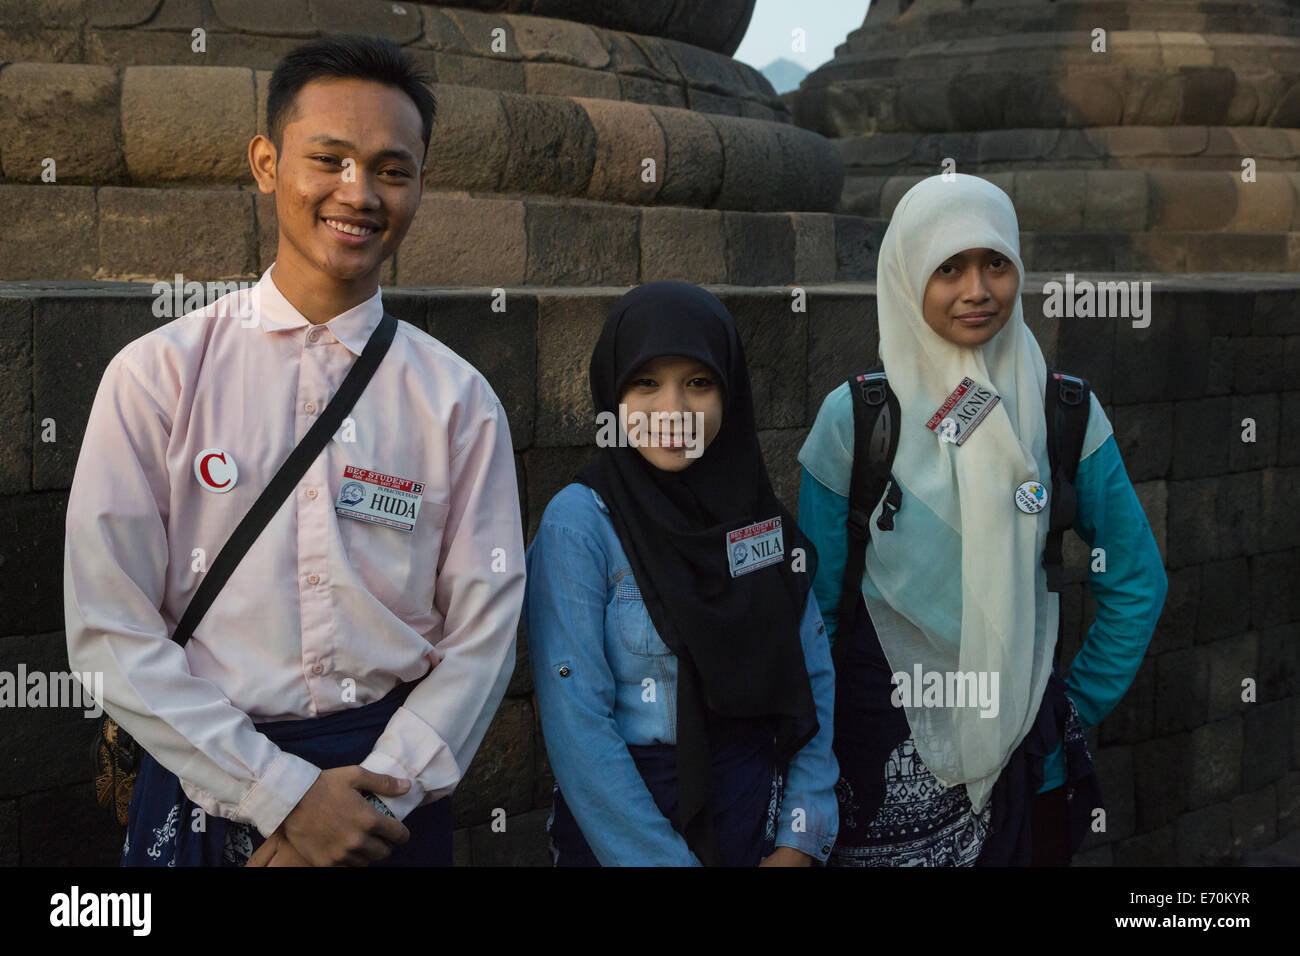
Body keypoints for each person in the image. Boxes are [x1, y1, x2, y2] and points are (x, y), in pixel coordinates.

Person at [64, 34, 525, 867]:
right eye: (330, 159)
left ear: (420, 184)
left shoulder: (459, 403)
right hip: (208, 771)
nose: (360, 192)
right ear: (268, 163)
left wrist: (375, 795)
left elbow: (484, 630)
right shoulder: (159, 377)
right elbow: (108, 628)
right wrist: (275, 798)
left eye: (392, 169)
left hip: (388, 796)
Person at [797, 174, 1167, 866]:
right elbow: (813, 615)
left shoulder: (1062, 415)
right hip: (876, 770)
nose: (977, 289)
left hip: (1026, 771)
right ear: (908, 278)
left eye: (995, 263)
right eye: (949, 268)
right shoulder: (857, 422)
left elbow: (1137, 579)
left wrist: (1066, 712)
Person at [525, 282, 839, 866]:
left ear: (732, 392)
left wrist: (801, 836)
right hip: (627, 825)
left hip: (753, 813)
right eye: (645, 383)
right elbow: (579, 729)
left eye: (699, 383)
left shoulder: (757, 520)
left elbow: (813, 679)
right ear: (612, 391)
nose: (673, 411)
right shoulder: (581, 524)